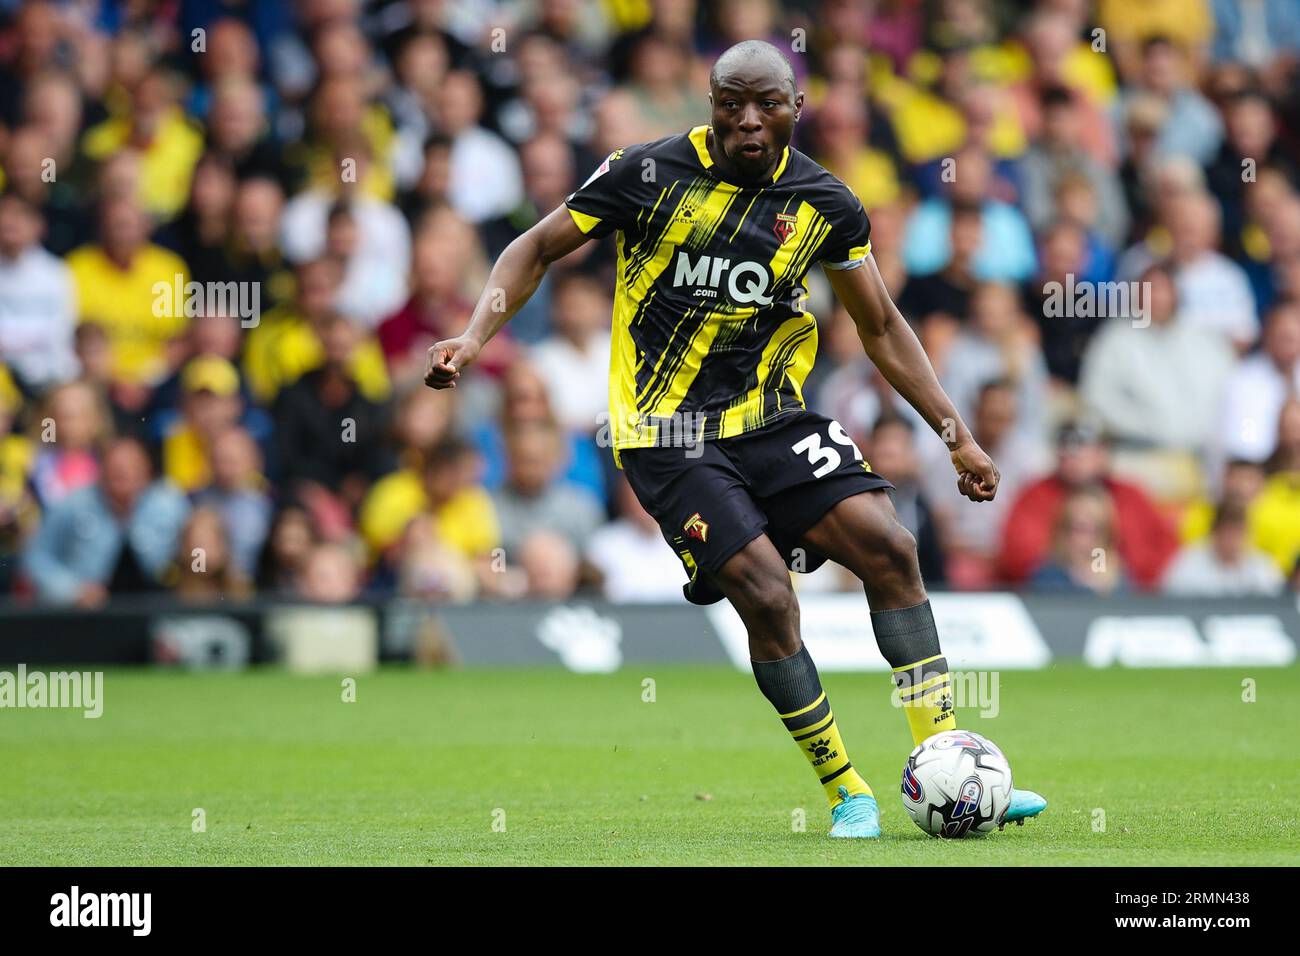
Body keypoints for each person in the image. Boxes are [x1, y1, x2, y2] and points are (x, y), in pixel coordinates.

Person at [423, 41, 1045, 839]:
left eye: (767, 104)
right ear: (712, 103)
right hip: (666, 431)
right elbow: (534, 247)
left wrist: (955, 434)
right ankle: (846, 790)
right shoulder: (646, 173)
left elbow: (882, 326)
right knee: (767, 592)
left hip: (771, 416)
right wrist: (475, 335)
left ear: (795, 108)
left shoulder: (826, 203)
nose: (748, 120)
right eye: (731, 103)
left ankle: (950, 763)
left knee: (891, 549)